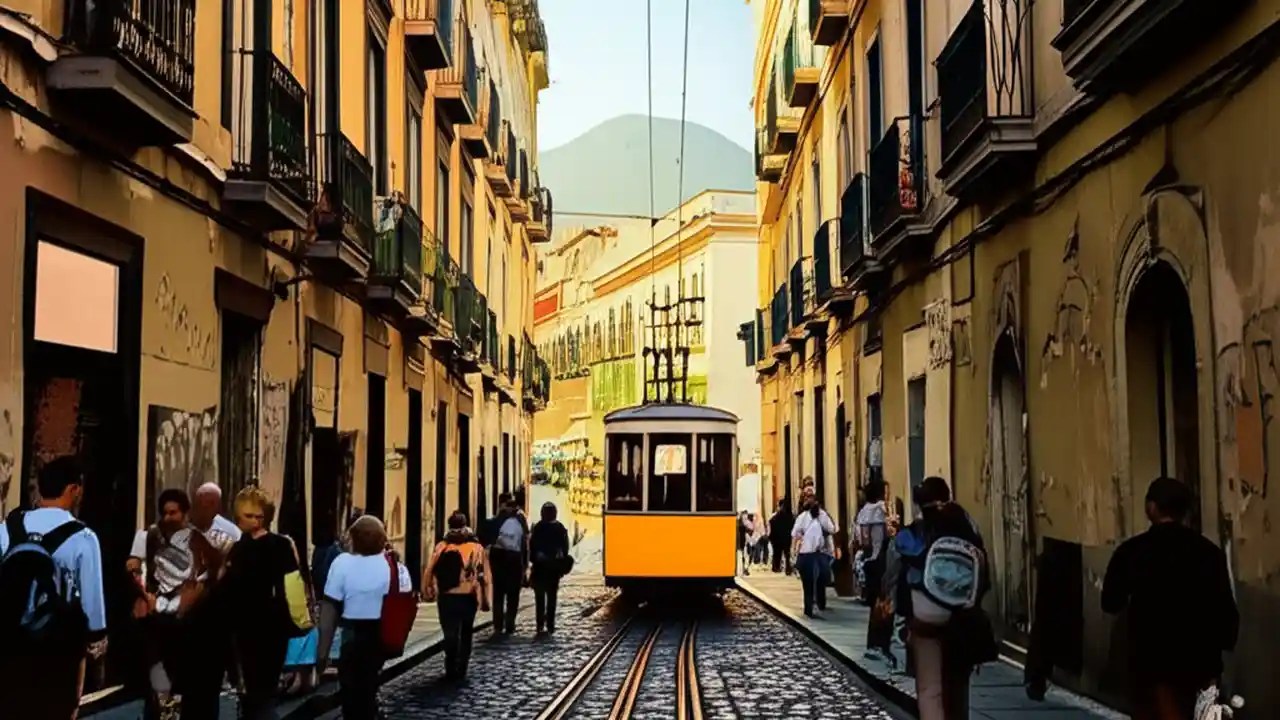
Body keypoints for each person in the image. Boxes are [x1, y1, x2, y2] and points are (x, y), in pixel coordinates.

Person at [1102, 477, 1238, 720]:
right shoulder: (1208, 553)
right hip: (1200, 661)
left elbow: (1111, 602)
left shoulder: (1133, 552)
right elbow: (1225, 610)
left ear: (1150, 508)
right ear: (1185, 511)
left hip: (1151, 662)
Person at [0, 456, 107, 719]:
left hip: (10, 647)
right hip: (58, 655)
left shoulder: (7, 527)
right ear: (74, 489)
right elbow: (93, 612)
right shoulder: (83, 537)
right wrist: (97, 658)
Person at [883, 476, 993, 720]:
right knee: (958, 685)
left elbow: (896, 574)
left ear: (919, 504)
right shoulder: (967, 529)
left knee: (929, 688)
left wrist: (897, 609)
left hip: (926, 617)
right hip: (962, 616)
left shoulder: (913, 533)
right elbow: (983, 574)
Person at [138, 488, 223, 720]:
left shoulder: (199, 542)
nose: (168, 518)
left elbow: (212, 577)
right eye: (164, 513)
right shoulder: (152, 539)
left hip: (193, 632)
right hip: (161, 630)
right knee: (161, 692)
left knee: (194, 697)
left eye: (173, 513)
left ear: (185, 514)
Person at [318, 514, 412, 719]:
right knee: (368, 685)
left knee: (351, 691)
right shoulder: (394, 565)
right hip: (379, 634)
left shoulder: (342, 563)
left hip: (352, 634)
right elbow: (406, 604)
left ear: (353, 538)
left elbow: (329, 610)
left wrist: (322, 653)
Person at [222, 486, 301, 719]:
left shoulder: (267, 546)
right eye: (247, 516)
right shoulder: (239, 548)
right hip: (250, 627)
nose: (252, 521)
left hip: (264, 626)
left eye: (257, 516)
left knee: (259, 693)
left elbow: (294, 587)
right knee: (255, 693)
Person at [424, 511, 491, 681]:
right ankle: (462, 666)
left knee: (449, 631)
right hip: (469, 596)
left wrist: (427, 589)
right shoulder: (477, 547)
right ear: (465, 525)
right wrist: (486, 600)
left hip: (446, 597)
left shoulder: (442, 546)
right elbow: (486, 577)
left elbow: (429, 569)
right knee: (466, 631)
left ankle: (450, 662)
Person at [485, 494, 528, 636]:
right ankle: (510, 623)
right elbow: (525, 543)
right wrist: (525, 564)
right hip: (514, 559)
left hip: (498, 558)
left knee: (498, 593)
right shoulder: (520, 520)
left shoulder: (496, 521)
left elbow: (487, 539)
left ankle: (498, 624)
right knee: (513, 594)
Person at [529, 502, 570, 635]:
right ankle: (550, 625)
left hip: (540, 569)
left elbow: (532, 547)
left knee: (539, 598)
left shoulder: (538, 527)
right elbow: (565, 549)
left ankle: (540, 624)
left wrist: (535, 558)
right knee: (551, 598)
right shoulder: (560, 528)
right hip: (553, 570)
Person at [791, 497, 836, 617]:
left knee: (808, 583)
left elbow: (794, 534)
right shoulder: (823, 515)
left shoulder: (802, 517)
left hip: (805, 553)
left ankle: (808, 607)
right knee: (820, 579)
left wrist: (794, 551)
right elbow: (832, 529)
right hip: (820, 553)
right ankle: (820, 602)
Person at [768, 500, 794, 575]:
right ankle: (784, 568)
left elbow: (771, 523)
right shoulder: (788, 516)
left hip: (779, 538)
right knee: (783, 554)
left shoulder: (777, 516)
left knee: (780, 554)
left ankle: (778, 567)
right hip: (782, 538)